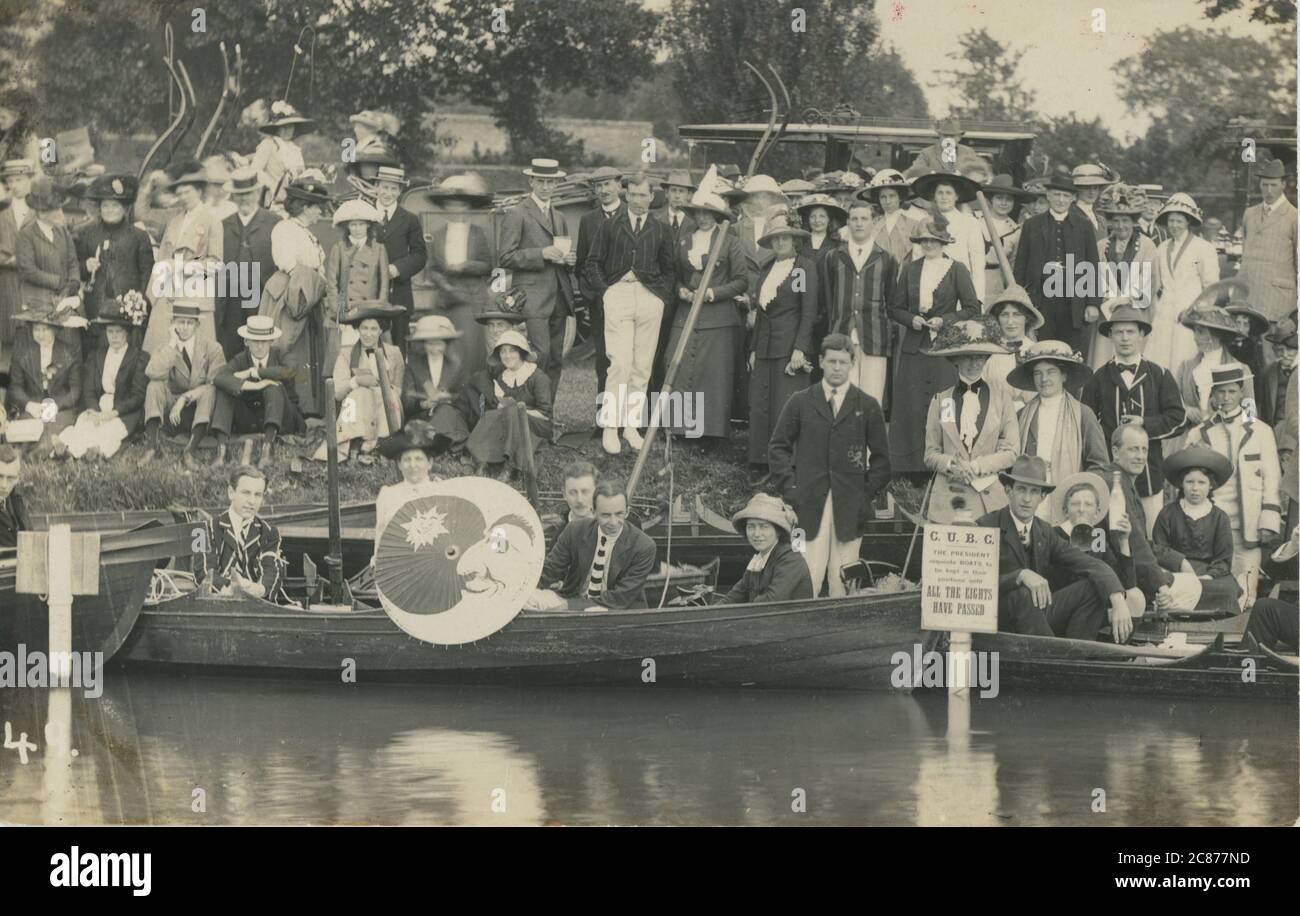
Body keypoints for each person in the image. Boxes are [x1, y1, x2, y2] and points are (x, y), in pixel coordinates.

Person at [768, 334, 890, 597]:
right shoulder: (800, 401)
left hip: (850, 509)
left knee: (845, 582)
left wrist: (864, 494)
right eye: (832, 361)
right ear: (821, 362)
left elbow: (882, 460)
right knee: (803, 577)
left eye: (843, 362)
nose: (837, 367)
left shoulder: (867, 406)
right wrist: (792, 490)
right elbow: (778, 448)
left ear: (852, 364)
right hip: (806, 507)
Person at [983, 454, 1135, 643]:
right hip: (999, 620)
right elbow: (972, 581)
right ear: (1008, 491)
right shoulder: (986, 526)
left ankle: (1075, 656)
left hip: (1036, 618)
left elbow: (1090, 564)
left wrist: (1117, 597)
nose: (1027, 499)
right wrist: (1019, 576)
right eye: (1021, 490)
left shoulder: (1044, 532)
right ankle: (1055, 658)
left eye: (1034, 492)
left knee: (1092, 586)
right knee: (1021, 594)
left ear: (1043, 497)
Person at [581, 172, 676, 455]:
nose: (637, 200)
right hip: (618, 294)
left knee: (642, 366)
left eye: (642, 195)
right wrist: (606, 292)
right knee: (619, 363)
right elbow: (592, 263)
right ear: (626, 195)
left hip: (649, 297)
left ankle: (631, 427)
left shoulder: (661, 229)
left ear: (651, 197)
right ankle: (611, 427)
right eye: (632, 195)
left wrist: (660, 297)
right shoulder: (611, 226)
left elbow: (670, 269)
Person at [1080, 303, 1187, 531]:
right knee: (1113, 533)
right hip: (1111, 475)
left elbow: (1178, 418)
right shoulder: (1098, 378)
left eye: (1130, 332)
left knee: (1150, 535)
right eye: (1119, 332)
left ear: (1141, 335)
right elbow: (1086, 424)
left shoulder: (1159, 375)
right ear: (1110, 335)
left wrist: (1145, 424)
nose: (1125, 338)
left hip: (1149, 474)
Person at [887, 216, 981, 476]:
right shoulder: (911, 269)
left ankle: (947, 465)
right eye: (924, 240)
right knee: (913, 406)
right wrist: (912, 320)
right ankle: (911, 470)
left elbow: (973, 307)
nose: (928, 245)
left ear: (943, 242)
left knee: (945, 405)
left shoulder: (956, 269)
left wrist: (946, 320)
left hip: (945, 350)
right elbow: (894, 308)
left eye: (933, 240)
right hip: (915, 348)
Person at [1183, 365, 1282, 607]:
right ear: (1213, 395)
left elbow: (1272, 478)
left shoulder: (1260, 430)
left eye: (1231, 392)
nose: (1226, 398)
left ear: (1240, 393)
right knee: (1214, 591)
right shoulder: (1199, 433)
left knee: (1247, 593)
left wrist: (1268, 520)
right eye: (1220, 392)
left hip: (1247, 525)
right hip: (1211, 525)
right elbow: (1184, 480)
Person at [664, 184, 747, 442]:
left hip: (718, 317)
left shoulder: (730, 241)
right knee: (676, 362)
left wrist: (711, 293)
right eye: (698, 212)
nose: (703, 217)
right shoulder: (684, 240)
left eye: (708, 213)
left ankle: (710, 432)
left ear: (718, 216)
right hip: (686, 313)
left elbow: (742, 280)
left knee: (714, 373)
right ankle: (680, 428)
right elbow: (676, 276)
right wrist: (681, 291)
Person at [746, 210, 818, 487]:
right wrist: (753, 349)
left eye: (784, 237)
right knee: (762, 406)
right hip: (764, 347)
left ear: (794, 239)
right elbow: (762, 314)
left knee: (786, 407)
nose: (779, 243)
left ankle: (786, 468)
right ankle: (762, 463)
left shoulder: (801, 268)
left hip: (789, 349)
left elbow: (808, 311)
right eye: (775, 239)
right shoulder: (766, 269)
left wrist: (800, 348)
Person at [923, 317, 1018, 522]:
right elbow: (931, 453)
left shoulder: (1001, 398)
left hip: (989, 502)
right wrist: (951, 464)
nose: (973, 363)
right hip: (949, 501)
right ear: (955, 359)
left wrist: (977, 466)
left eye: (979, 357)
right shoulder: (942, 400)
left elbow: (1011, 451)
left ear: (986, 359)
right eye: (967, 357)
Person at [1007, 340, 1108, 521]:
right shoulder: (1021, 415)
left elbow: (1099, 464)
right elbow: (1009, 460)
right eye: (1038, 373)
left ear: (1063, 375)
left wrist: (1078, 493)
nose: (1044, 379)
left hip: (1067, 501)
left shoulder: (1083, 414)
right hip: (1029, 499)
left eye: (1051, 372)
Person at [259, 178, 333, 418]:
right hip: (291, 297)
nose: (321, 212)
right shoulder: (285, 228)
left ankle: (308, 408)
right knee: (287, 348)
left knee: (306, 351)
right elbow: (289, 264)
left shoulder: (306, 233)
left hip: (306, 295)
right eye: (316, 206)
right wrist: (312, 283)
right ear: (303, 207)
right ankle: (289, 410)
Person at [498, 158, 573, 390]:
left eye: (550, 182)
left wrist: (569, 260)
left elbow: (560, 254)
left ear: (556, 184)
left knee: (556, 360)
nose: (545, 186)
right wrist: (541, 253)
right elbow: (506, 257)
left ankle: (546, 417)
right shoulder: (518, 213)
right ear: (531, 181)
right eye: (540, 181)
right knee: (540, 356)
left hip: (559, 297)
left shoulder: (559, 216)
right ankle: (533, 412)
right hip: (533, 298)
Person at [1013, 167, 1101, 357]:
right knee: (1041, 350)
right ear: (1048, 196)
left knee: (1073, 353)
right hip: (1041, 300)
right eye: (1057, 194)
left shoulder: (1084, 226)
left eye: (1066, 195)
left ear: (1072, 199)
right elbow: (1020, 265)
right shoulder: (1032, 225)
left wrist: (1093, 303)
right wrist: (1019, 300)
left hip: (1074, 301)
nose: (1061, 200)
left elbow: (1093, 266)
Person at [538, 478, 657, 610]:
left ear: (627, 511)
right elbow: (549, 570)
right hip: (573, 602)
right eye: (605, 515)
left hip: (620, 612)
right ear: (593, 512)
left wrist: (569, 606)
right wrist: (520, 588)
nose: (613, 522)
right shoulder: (574, 530)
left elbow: (620, 598)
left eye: (619, 514)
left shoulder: (644, 546)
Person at [143, 161, 223, 353]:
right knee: (161, 350)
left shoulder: (212, 221)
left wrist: (182, 266)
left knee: (193, 356)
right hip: (168, 294)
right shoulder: (174, 220)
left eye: (188, 192)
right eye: (179, 194)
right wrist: (151, 296)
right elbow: (162, 259)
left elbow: (216, 264)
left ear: (199, 191)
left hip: (195, 296)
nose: (183, 197)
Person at [823, 200, 897, 404]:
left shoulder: (886, 259)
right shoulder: (834, 256)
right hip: (841, 334)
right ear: (848, 222)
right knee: (841, 396)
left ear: (873, 222)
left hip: (874, 336)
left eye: (864, 219)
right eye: (854, 219)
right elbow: (829, 299)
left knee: (872, 397)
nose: (859, 223)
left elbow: (891, 301)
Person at [1152, 446, 1243, 612]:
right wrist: (1180, 562)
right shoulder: (1168, 513)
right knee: (1161, 585)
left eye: (1201, 482)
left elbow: (1223, 559)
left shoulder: (1219, 517)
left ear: (1211, 486)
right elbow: (1158, 549)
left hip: (1211, 575)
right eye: (1190, 482)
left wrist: (1205, 577)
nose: (1195, 488)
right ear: (1181, 484)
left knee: (1227, 591)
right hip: (1176, 572)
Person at [422, 173, 492, 379]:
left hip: (470, 299)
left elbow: (487, 265)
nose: (455, 209)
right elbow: (432, 267)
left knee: (469, 351)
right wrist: (442, 282)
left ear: (467, 208)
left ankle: (471, 396)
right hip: (446, 299)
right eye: (450, 205)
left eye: (460, 205)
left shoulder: (477, 233)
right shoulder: (439, 234)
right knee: (445, 349)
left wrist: (465, 266)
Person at [1049, 470, 1146, 620]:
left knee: (1135, 597)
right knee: (1093, 588)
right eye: (1075, 504)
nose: (1082, 509)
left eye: (1088, 505)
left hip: (1092, 607)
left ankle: (1115, 641)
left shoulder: (1097, 537)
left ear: (1097, 512)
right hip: (1062, 607)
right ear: (1065, 511)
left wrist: (1123, 541)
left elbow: (1125, 583)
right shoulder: (1054, 535)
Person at [141, 303, 226, 468]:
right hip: (174, 416)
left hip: (201, 411)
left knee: (210, 390)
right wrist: (172, 344)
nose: (185, 327)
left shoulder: (212, 348)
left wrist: (184, 399)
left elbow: (215, 382)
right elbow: (152, 372)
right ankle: (151, 447)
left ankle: (189, 451)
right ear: (173, 324)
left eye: (189, 323)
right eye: (180, 322)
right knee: (154, 385)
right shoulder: (166, 348)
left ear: (197, 325)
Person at [210, 315, 302, 469]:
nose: (260, 346)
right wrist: (254, 385)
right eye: (255, 341)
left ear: (271, 342)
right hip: (251, 419)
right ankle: (222, 451)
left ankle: (267, 450)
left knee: (274, 386)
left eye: (264, 341)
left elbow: (290, 370)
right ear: (246, 342)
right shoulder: (240, 359)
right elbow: (219, 378)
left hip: (282, 418)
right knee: (225, 390)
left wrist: (257, 373)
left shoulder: (280, 354)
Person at [58, 306, 148, 460]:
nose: (114, 337)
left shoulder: (138, 357)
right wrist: (95, 411)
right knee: (85, 425)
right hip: (99, 405)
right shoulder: (97, 355)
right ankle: (67, 449)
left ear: (127, 333)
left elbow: (138, 396)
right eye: (110, 332)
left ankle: (94, 451)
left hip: (124, 410)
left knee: (109, 431)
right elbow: (89, 390)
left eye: (119, 332)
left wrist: (112, 413)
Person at [74, 174, 154, 348]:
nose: (109, 210)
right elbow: (74, 267)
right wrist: (85, 267)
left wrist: (139, 302)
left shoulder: (139, 237)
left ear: (125, 209)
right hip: (94, 308)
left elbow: (147, 273)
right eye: (105, 206)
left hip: (126, 310)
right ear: (99, 208)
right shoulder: (87, 234)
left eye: (115, 206)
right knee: (95, 355)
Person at [464, 330, 553, 475]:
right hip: (512, 422)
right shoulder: (502, 377)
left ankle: (511, 466)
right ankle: (482, 459)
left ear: (521, 353)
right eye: (503, 352)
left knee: (512, 413)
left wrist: (519, 411)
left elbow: (545, 414)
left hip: (538, 424)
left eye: (512, 351)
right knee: (490, 415)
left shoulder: (538, 377)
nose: (507, 356)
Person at [326, 302, 406, 464]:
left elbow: (398, 389)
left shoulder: (393, 353)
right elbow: (338, 393)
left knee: (384, 394)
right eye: (364, 328)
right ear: (358, 329)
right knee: (358, 393)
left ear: (381, 330)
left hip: (385, 408)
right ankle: (355, 443)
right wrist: (356, 381)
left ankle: (382, 444)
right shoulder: (346, 354)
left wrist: (380, 385)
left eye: (373, 329)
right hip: (357, 409)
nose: (368, 334)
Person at [193, 465, 286, 603]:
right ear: (231, 492)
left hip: (257, 606)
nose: (252, 501)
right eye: (246, 493)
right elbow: (203, 573)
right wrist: (234, 588)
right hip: (216, 605)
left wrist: (260, 589)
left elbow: (271, 570)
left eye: (258, 495)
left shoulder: (270, 533)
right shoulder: (202, 530)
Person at [1150, 193, 1219, 373]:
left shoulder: (1203, 248)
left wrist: (1198, 313)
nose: (1174, 225)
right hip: (1164, 312)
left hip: (1190, 313)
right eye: (1171, 221)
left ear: (1188, 221)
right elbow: (1156, 283)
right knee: (1160, 357)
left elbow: (1211, 287)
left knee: (1184, 356)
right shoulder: (1162, 247)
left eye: (1179, 221)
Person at [1092, 183, 1158, 369]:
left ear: (1133, 222)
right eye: (1117, 221)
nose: (1121, 226)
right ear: (1111, 222)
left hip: (1136, 311)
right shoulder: (1102, 245)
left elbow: (1152, 282)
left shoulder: (1146, 246)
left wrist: (1125, 299)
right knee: (1104, 356)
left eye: (1126, 221)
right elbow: (1096, 279)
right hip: (1108, 312)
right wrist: (1109, 300)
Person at [15, 177, 83, 357]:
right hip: (38, 301)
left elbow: (72, 262)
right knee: (43, 352)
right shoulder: (26, 235)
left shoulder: (62, 232)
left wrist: (73, 283)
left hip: (64, 300)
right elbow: (28, 270)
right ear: (42, 212)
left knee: (68, 350)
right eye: (56, 209)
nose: (60, 212)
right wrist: (58, 282)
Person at [216, 168, 278, 359]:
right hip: (230, 303)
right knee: (231, 351)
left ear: (258, 193)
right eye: (239, 195)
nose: (244, 199)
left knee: (260, 352)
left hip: (261, 300)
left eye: (248, 194)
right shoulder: (223, 225)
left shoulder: (274, 223)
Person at [575, 165, 624, 400]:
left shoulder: (631, 215)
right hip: (600, 304)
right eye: (598, 185)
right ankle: (604, 415)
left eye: (607, 184)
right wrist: (593, 297)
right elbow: (582, 264)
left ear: (619, 186)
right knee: (603, 358)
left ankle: (632, 417)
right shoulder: (588, 220)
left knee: (629, 358)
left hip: (629, 301)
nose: (603, 190)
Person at [368, 165, 427, 355]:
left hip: (399, 295)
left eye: (393, 189)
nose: (388, 193)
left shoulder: (410, 219)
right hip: (369, 293)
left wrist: (397, 269)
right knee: (369, 347)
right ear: (376, 187)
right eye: (384, 187)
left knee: (398, 352)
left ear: (400, 191)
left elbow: (420, 255)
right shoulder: (365, 215)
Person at [324, 197, 389, 365]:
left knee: (371, 359)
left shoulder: (379, 249)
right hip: (346, 313)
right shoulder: (338, 249)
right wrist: (337, 310)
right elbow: (331, 283)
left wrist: (379, 308)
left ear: (368, 225)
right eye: (353, 224)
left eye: (361, 224)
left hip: (369, 312)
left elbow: (384, 283)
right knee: (343, 357)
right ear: (347, 227)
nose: (357, 229)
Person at [719, 493, 814, 604]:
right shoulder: (759, 559)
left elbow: (769, 602)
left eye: (764, 526)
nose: (756, 533)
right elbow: (736, 595)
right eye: (751, 527)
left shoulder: (791, 559)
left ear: (778, 531)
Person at [1174, 300, 1253, 430]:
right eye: (1194, 331)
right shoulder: (1186, 367)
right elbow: (1171, 403)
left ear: (1216, 334)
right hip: (1189, 439)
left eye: (1200, 332)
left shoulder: (1242, 370)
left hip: (1226, 441)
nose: (1195, 337)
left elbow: (1250, 417)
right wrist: (1186, 410)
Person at [909, 171, 986, 304]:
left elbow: (978, 262)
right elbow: (917, 259)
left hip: (960, 286)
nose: (944, 197)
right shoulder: (924, 222)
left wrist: (978, 298)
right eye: (940, 193)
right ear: (934, 196)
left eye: (948, 193)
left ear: (956, 196)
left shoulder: (969, 222)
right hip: (930, 284)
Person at [6, 308, 82, 442]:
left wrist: (57, 406)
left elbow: (76, 389)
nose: (40, 335)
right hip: (33, 405)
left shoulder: (69, 352)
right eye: (36, 329)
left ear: (55, 330)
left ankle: (47, 448)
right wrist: (29, 404)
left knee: (53, 427)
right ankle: (48, 447)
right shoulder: (22, 352)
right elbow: (15, 387)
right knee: (29, 429)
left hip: (61, 407)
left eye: (45, 329)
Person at [1236, 159, 1296, 322]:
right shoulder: (1249, 213)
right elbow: (1245, 254)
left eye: (1274, 185)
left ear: (1283, 184)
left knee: (1271, 346)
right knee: (1245, 345)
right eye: (1265, 184)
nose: (1268, 190)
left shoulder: (1294, 217)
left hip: (1278, 299)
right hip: (1248, 296)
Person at [400, 314, 470, 453]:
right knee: (417, 427)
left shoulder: (456, 365)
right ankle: (440, 443)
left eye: (438, 343)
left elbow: (464, 397)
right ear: (423, 344)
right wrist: (423, 404)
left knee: (446, 413)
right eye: (429, 344)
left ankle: (429, 443)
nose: (434, 348)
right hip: (422, 415)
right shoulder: (414, 365)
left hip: (449, 415)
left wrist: (447, 398)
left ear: (446, 344)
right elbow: (406, 399)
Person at [373, 419, 445, 545]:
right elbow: (380, 536)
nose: (413, 465)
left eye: (418, 459)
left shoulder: (440, 492)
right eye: (407, 459)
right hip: (397, 557)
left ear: (429, 463)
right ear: (399, 464)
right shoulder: (388, 495)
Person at [982, 284, 1042, 411]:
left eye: (1016, 314)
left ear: (1026, 318)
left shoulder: (1036, 351)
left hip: (1027, 416)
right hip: (992, 415)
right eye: (1004, 315)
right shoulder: (989, 351)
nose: (1010, 322)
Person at [0, 160, 36, 359]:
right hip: (6, 286)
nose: (15, 185)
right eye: (10, 181)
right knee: (6, 341)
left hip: (32, 288)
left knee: (31, 343)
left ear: (30, 180)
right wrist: (7, 259)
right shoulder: (2, 214)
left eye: (20, 180)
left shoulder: (39, 213)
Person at [979, 174, 1031, 301]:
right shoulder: (975, 220)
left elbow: (1013, 263)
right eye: (999, 198)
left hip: (996, 280)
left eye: (1009, 199)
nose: (1004, 203)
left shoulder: (1015, 230)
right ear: (991, 200)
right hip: (972, 276)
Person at [250, 101, 313, 204]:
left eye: (290, 126)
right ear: (277, 128)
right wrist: (271, 185)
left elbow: (300, 174)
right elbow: (255, 170)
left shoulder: (295, 149)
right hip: (274, 200)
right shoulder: (268, 144)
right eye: (284, 127)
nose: (287, 130)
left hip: (294, 201)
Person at [860, 169, 915, 270]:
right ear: (878, 199)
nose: (888, 201)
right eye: (883, 197)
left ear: (900, 197)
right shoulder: (872, 225)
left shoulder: (913, 224)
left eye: (892, 196)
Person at [902, 117, 983, 180]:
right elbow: (914, 170)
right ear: (939, 136)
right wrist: (900, 177)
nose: (948, 139)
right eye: (945, 136)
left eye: (952, 136)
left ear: (959, 137)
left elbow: (980, 173)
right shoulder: (927, 153)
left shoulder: (968, 152)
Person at [541, 459, 598, 540]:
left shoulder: (611, 529)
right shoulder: (558, 537)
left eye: (585, 492)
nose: (579, 500)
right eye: (573, 492)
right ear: (564, 494)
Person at [1257, 317, 1296, 429]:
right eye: (1280, 350)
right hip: (1274, 430)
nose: (1285, 354)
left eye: (1290, 350)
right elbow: (1262, 408)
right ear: (1274, 350)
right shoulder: (1268, 373)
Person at [1070, 163, 1113, 259]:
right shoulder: (1070, 216)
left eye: (1095, 187)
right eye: (1086, 187)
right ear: (1077, 189)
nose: (1092, 192)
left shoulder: (1101, 220)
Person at [1224, 301, 1269, 384]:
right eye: (1237, 323)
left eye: (1245, 325)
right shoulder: (1222, 346)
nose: (1241, 329)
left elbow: (1257, 379)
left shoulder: (1252, 350)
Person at [0, 444, 29, 549]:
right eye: (0, 476)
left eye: (10, 478)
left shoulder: (16, 500)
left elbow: (29, 535)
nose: (3, 485)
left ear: (17, 479)